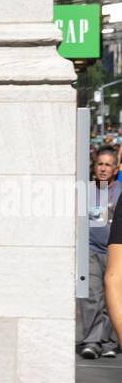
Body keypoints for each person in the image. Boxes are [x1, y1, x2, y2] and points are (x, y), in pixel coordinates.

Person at [80, 147, 122, 358]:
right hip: (91, 250)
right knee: (91, 295)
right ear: (94, 167)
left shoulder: (120, 191)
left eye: (107, 165)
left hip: (115, 252)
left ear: (115, 169)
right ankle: (92, 341)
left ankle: (109, 341)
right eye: (100, 164)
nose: (103, 168)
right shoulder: (85, 190)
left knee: (112, 296)